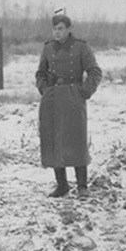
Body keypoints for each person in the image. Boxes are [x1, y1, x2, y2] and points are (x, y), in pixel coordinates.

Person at [35, 10, 102, 199]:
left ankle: (82, 185)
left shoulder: (81, 47)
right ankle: (62, 185)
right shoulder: (48, 48)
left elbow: (95, 71)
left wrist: (84, 92)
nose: (57, 32)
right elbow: (40, 73)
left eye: (61, 28)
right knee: (55, 139)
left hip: (73, 96)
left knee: (76, 139)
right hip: (53, 97)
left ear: (69, 29)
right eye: (54, 29)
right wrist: (45, 89)